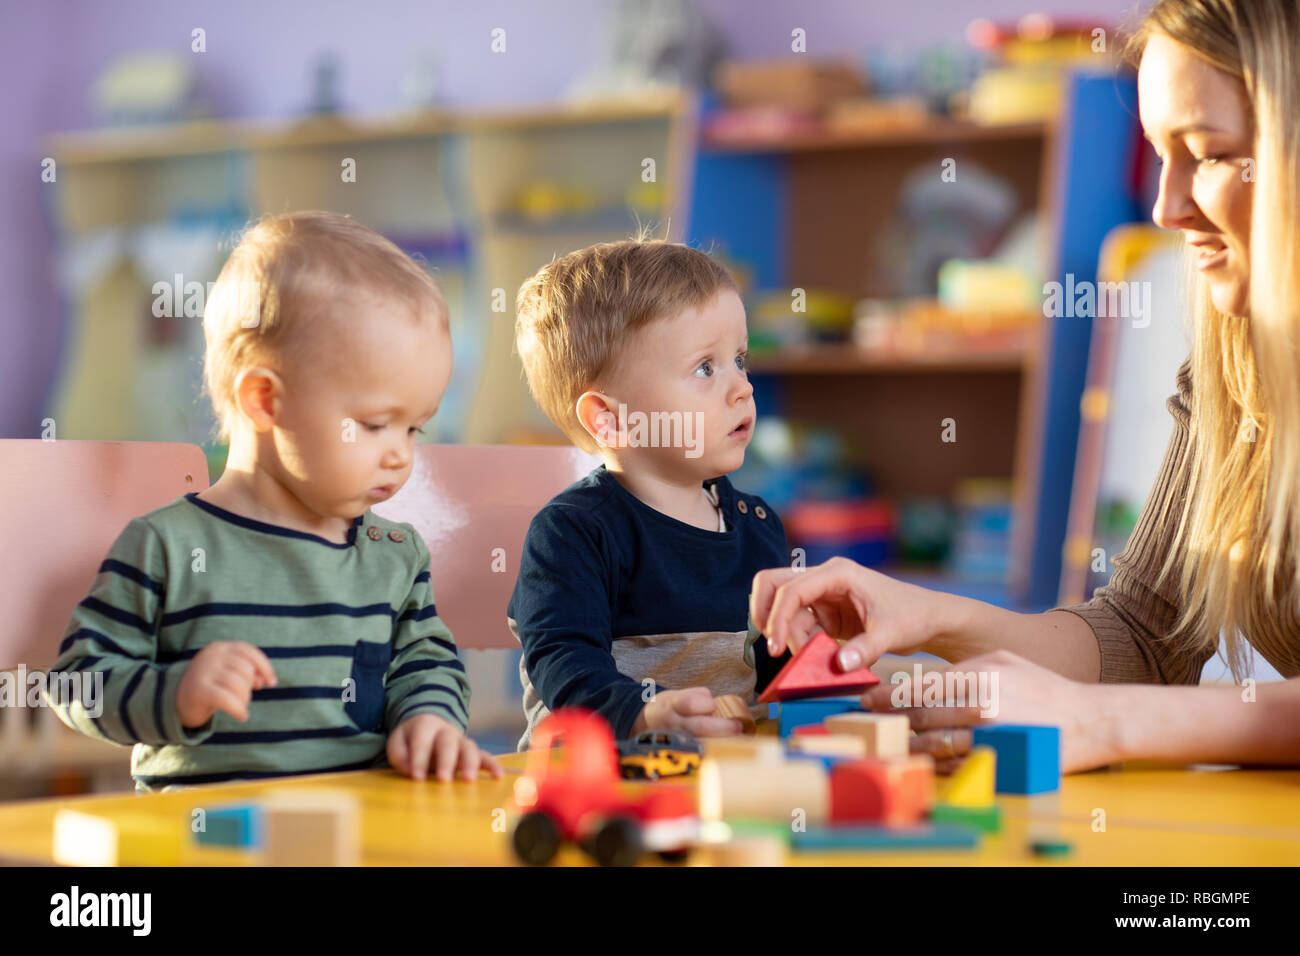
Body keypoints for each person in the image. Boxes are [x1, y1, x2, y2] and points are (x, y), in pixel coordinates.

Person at [752, 0, 1300, 774]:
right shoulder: (1239, 368)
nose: (1166, 209)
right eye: (1158, 156)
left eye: (1208, 154)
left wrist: (1102, 721)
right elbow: (1145, 638)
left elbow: (1121, 695)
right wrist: (929, 615)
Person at [47, 211, 504, 790]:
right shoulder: (166, 545)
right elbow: (75, 684)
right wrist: (175, 694)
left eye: (414, 429)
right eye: (374, 424)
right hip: (199, 837)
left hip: (358, 829)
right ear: (265, 401)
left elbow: (425, 662)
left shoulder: (395, 553)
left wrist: (431, 717)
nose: (399, 455)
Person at [509, 239, 790, 748]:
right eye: (706, 368)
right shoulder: (573, 532)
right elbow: (563, 665)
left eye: (740, 360)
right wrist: (644, 714)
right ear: (610, 420)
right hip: (593, 782)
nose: (742, 388)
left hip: (720, 783)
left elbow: (779, 673)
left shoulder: (759, 524)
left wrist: (827, 664)